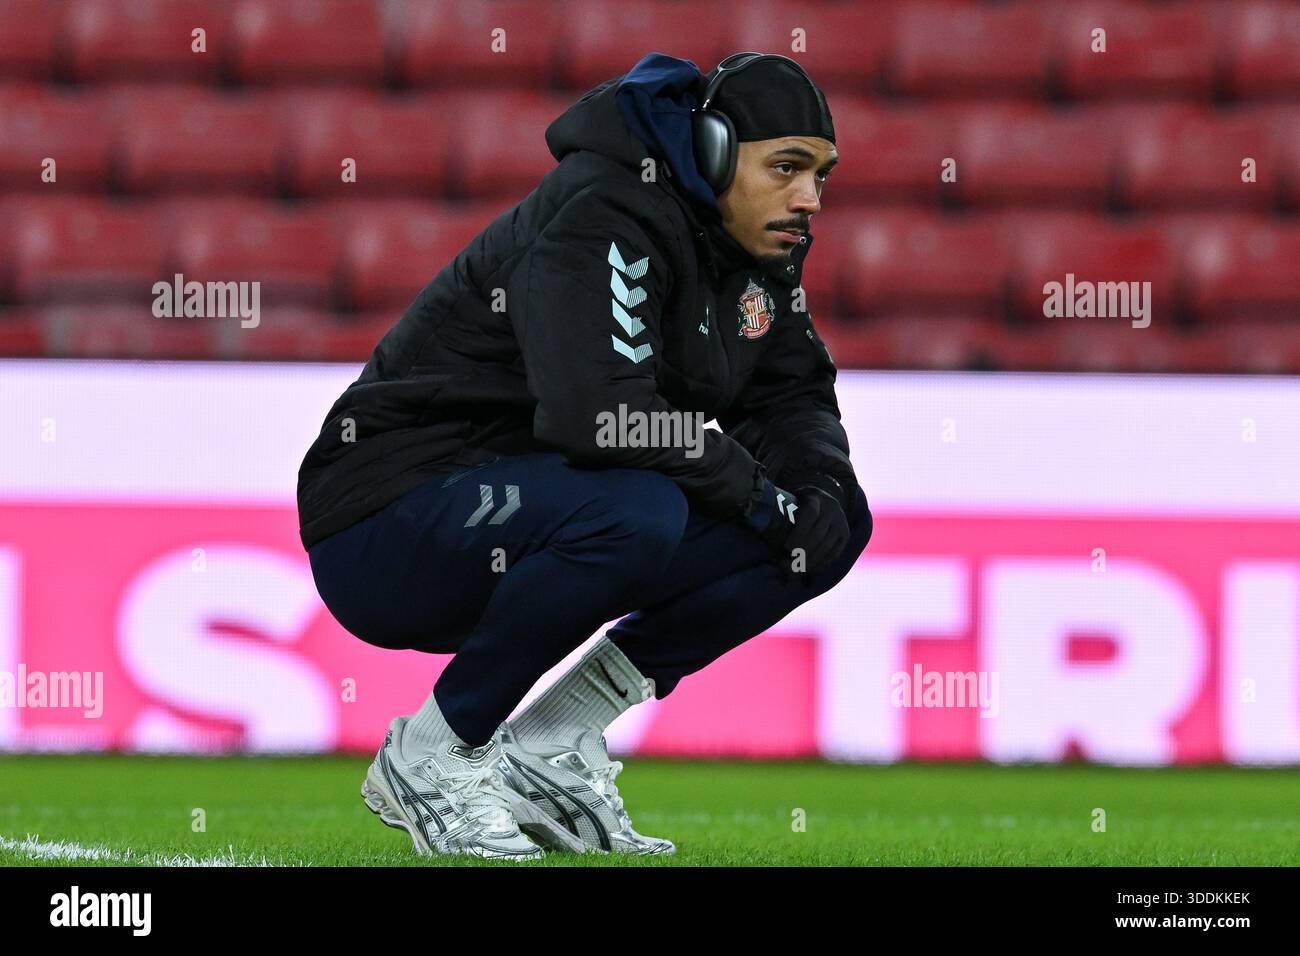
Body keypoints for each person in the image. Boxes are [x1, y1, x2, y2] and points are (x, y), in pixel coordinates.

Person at [299, 51, 873, 860]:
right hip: (387, 515)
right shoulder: (603, 206)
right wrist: (752, 491)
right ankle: (428, 755)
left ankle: (552, 746)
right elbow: (600, 417)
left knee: (831, 524)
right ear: (709, 151)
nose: (809, 199)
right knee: (640, 509)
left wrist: (811, 483)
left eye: (821, 174)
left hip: (537, 512)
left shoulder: (763, 249)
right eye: (786, 168)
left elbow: (793, 397)